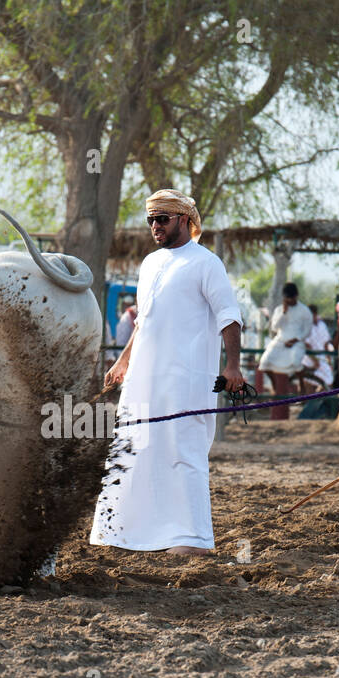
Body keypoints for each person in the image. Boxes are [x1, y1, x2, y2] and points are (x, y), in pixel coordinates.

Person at [89, 188, 243, 556]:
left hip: (186, 381)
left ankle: (189, 541)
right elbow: (144, 321)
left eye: (163, 219)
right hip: (143, 379)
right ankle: (120, 534)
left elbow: (230, 317)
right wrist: (124, 359)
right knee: (131, 447)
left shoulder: (206, 263)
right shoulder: (149, 264)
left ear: (185, 221)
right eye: (151, 220)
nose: (155, 226)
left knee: (182, 452)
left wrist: (233, 365)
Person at [258, 283, 314, 420]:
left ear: (296, 296)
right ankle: (275, 386)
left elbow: (307, 330)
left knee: (295, 361)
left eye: (292, 298)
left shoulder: (305, 310)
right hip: (281, 340)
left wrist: (296, 340)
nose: (290, 301)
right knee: (264, 362)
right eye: (287, 299)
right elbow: (275, 327)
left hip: (297, 342)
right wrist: (283, 312)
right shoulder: (279, 309)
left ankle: (301, 385)